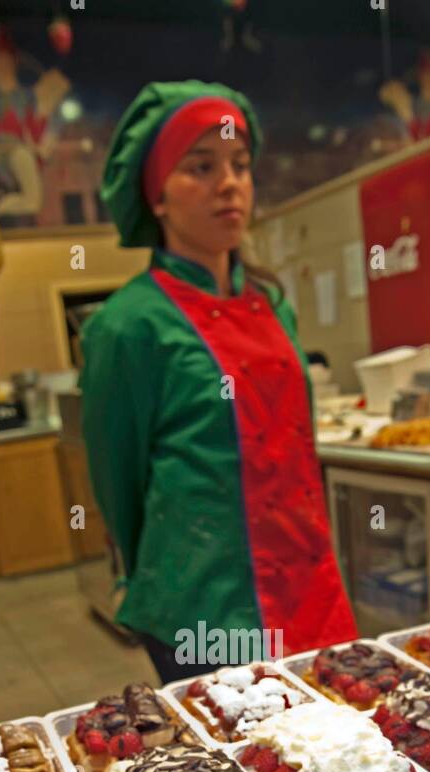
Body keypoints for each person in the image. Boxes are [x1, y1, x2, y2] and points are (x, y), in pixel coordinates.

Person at [80, 79, 357, 684]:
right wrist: (146, 568)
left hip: (308, 580)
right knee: (242, 771)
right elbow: (116, 480)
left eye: (239, 165)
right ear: (157, 195)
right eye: (200, 167)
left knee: (334, 753)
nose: (228, 183)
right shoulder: (126, 326)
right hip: (204, 602)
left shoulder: (274, 305)